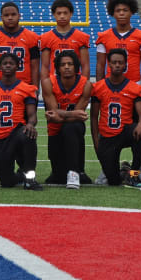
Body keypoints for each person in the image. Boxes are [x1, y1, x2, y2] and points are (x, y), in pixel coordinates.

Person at [0, 52, 42, 190]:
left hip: (17, 134)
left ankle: (30, 178)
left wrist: (30, 124)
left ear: (18, 67)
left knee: (28, 134)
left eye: (11, 63)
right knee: (7, 182)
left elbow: (32, 115)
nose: (8, 65)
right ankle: (20, 176)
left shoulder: (27, 89)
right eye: (5, 63)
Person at [90, 49, 141, 187]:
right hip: (107, 136)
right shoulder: (98, 87)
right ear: (109, 64)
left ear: (125, 65)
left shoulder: (134, 88)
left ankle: (134, 174)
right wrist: (97, 142)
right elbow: (93, 117)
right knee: (113, 181)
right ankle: (124, 172)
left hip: (125, 132)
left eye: (120, 62)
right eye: (114, 62)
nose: (117, 65)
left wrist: (140, 124)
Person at [43, 50, 92, 188]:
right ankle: (69, 171)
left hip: (73, 129)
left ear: (76, 66)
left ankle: (75, 172)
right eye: (63, 64)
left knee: (71, 128)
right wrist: (71, 114)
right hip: (54, 130)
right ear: (58, 68)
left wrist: (61, 115)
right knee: (58, 177)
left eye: (70, 64)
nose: (66, 67)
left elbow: (79, 115)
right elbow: (55, 115)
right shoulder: (49, 83)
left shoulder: (85, 85)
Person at [95, 0, 141, 86]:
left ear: (131, 12)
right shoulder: (104, 36)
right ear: (113, 13)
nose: (121, 13)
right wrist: (100, 86)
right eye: (118, 10)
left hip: (134, 83)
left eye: (125, 10)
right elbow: (100, 65)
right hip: (110, 84)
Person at [0, 1, 41, 83]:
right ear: (1, 17)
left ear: (19, 16)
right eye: (6, 15)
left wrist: (35, 88)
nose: (10, 18)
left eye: (13, 14)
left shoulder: (32, 37)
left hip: (24, 87)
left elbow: (35, 67)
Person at [38, 0, 90, 86]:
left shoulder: (81, 37)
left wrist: (83, 85)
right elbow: (45, 67)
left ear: (71, 14)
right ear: (54, 15)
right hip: (54, 82)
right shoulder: (46, 37)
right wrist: (45, 86)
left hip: (75, 82)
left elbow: (85, 65)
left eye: (65, 13)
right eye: (59, 13)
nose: (62, 16)